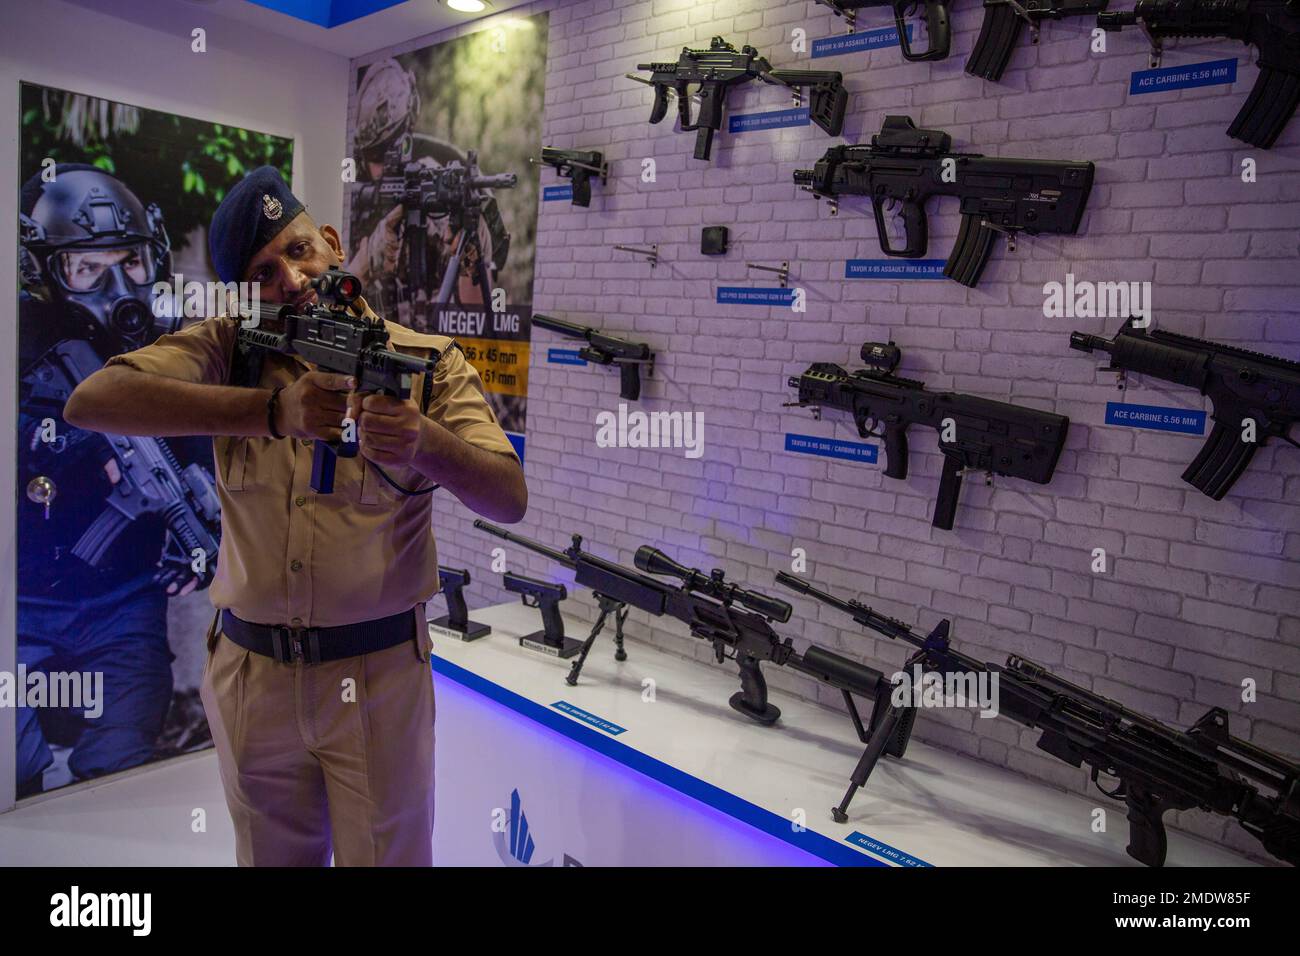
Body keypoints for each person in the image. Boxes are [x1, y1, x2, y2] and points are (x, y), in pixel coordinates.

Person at [64, 166, 528, 866]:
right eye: (262, 271)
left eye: (298, 250)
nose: (289, 278)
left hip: (376, 679)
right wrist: (271, 413)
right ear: (244, 294)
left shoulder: (426, 363)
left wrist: (424, 443)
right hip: (254, 678)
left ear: (334, 244)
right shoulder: (231, 347)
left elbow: (508, 497)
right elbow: (95, 400)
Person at [16, 164, 210, 796]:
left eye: (129, 261)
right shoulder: (17, 345)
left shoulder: (170, 349)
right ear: (49, 273)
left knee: (118, 769)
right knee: (13, 771)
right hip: (16, 606)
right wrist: (77, 440)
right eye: (87, 268)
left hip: (124, 603)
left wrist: (194, 535)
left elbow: (200, 451)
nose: (117, 285)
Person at [347, 56, 510, 328]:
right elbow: (332, 302)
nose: (379, 168)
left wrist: (472, 259)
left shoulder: (437, 190)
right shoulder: (358, 190)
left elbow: (477, 313)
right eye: (372, 155)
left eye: (386, 151)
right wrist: (367, 261)